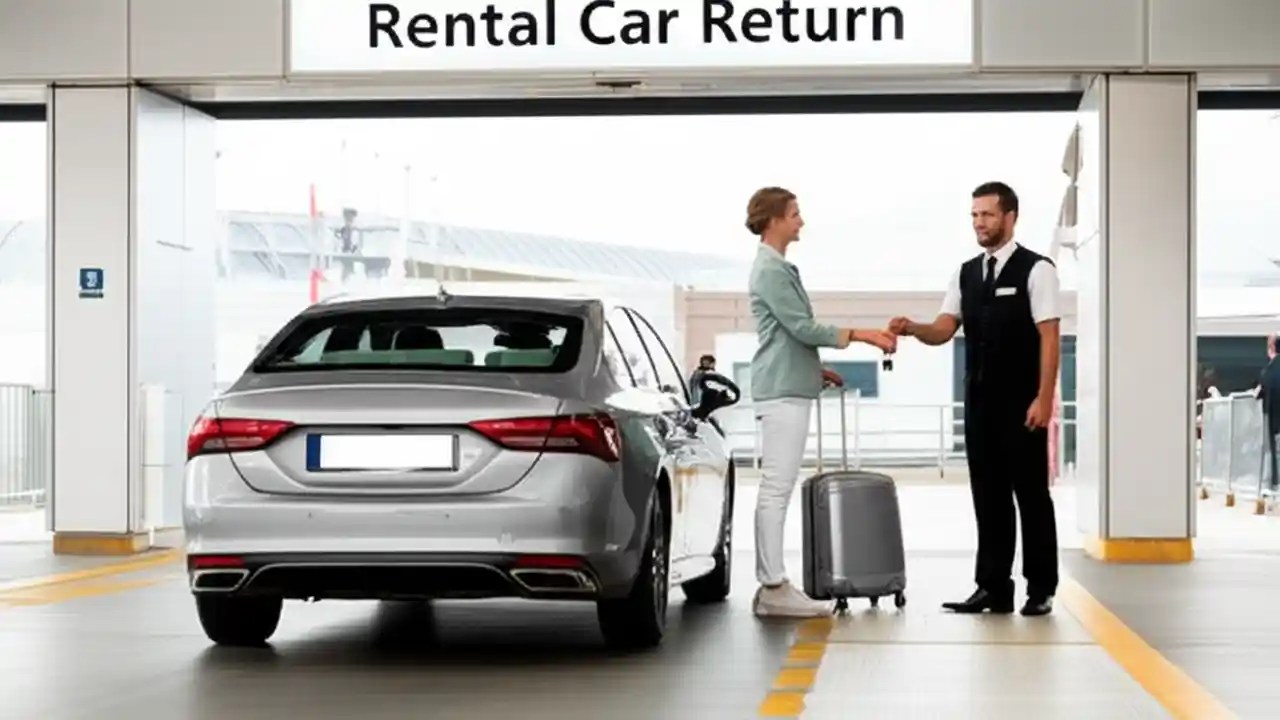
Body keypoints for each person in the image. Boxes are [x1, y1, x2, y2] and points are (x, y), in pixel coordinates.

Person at [889, 181, 1060, 617]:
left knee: (1032, 496)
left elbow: (1050, 339)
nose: (979, 223)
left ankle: (1040, 588)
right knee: (989, 497)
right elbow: (944, 329)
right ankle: (993, 588)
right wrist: (913, 328)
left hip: (1023, 404)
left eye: (986, 214)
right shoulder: (965, 273)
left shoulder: (1037, 270)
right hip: (981, 404)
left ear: (1010, 217)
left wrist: (1044, 399)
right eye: (974, 216)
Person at [745, 186, 898, 618]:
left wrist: (814, 371)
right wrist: (863, 334)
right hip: (781, 392)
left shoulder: (776, 267)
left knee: (778, 487)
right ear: (774, 219)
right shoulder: (770, 270)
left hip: (790, 384)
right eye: (794, 213)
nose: (801, 221)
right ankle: (773, 586)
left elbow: (784, 335)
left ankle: (773, 583)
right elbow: (802, 327)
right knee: (776, 488)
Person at [1260, 334, 1280, 490]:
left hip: (1275, 420)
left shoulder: (1270, 370)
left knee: (1276, 453)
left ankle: (1276, 484)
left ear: (1272, 347)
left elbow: (1264, 388)